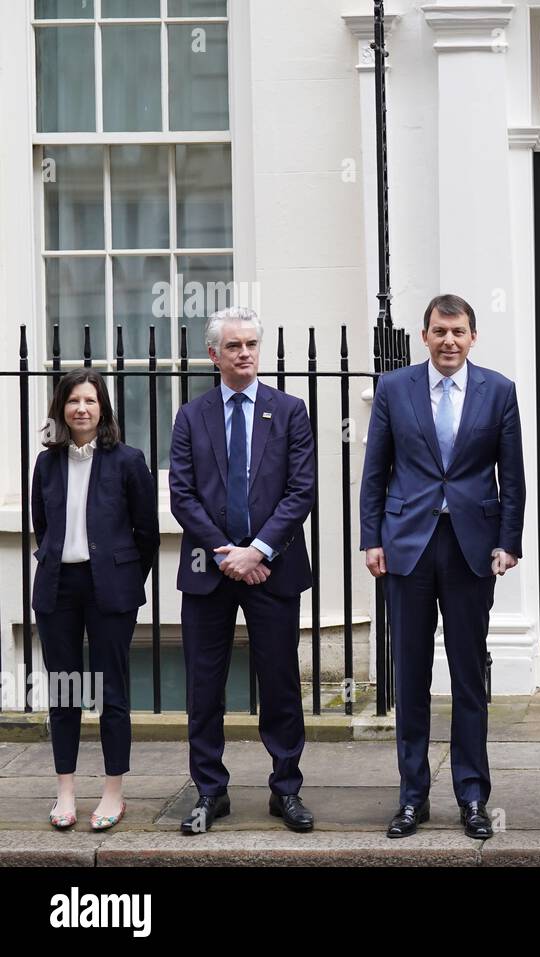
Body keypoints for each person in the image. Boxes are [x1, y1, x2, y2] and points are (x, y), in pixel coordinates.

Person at [360, 293, 524, 840]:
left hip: (471, 547)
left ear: (472, 337)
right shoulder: (394, 388)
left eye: (458, 332)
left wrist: (509, 542)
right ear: (424, 336)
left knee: (468, 675)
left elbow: (512, 476)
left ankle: (472, 795)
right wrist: (371, 539)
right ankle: (412, 797)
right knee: (410, 676)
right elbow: (375, 470)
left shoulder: (499, 390)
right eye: (439, 331)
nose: (448, 341)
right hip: (407, 545)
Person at [169, 306, 316, 835]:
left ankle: (286, 788)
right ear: (214, 354)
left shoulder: (290, 411)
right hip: (209, 571)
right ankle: (210, 790)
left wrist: (257, 551)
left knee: (280, 683)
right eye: (233, 346)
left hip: (272, 569)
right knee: (204, 686)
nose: (245, 353)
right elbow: (182, 494)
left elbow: (301, 490)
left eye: (251, 344)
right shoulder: (191, 416)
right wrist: (225, 552)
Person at [31, 369, 159, 831]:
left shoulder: (128, 461)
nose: (81, 408)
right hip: (58, 588)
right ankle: (65, 792)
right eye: (73, 401)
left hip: (111, 590)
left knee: (111, 693)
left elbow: (147, 533)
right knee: (64, 691)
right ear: (61, 408)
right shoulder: (47, 463)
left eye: (90, 400)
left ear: (102, 408)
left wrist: (123, 580)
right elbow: (42, 526)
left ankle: (112, 792)